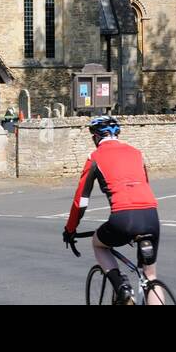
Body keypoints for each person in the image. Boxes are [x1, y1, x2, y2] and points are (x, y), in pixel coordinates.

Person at [62, 115, 162, 304]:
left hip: (123, 218)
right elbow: (145, 184)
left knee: (99, 244)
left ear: (96, 137)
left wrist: (70, 229)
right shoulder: (136, 153)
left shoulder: (95, 157)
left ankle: (121, 288)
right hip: (150, 216)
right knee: (150, 276)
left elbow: (81, 200)